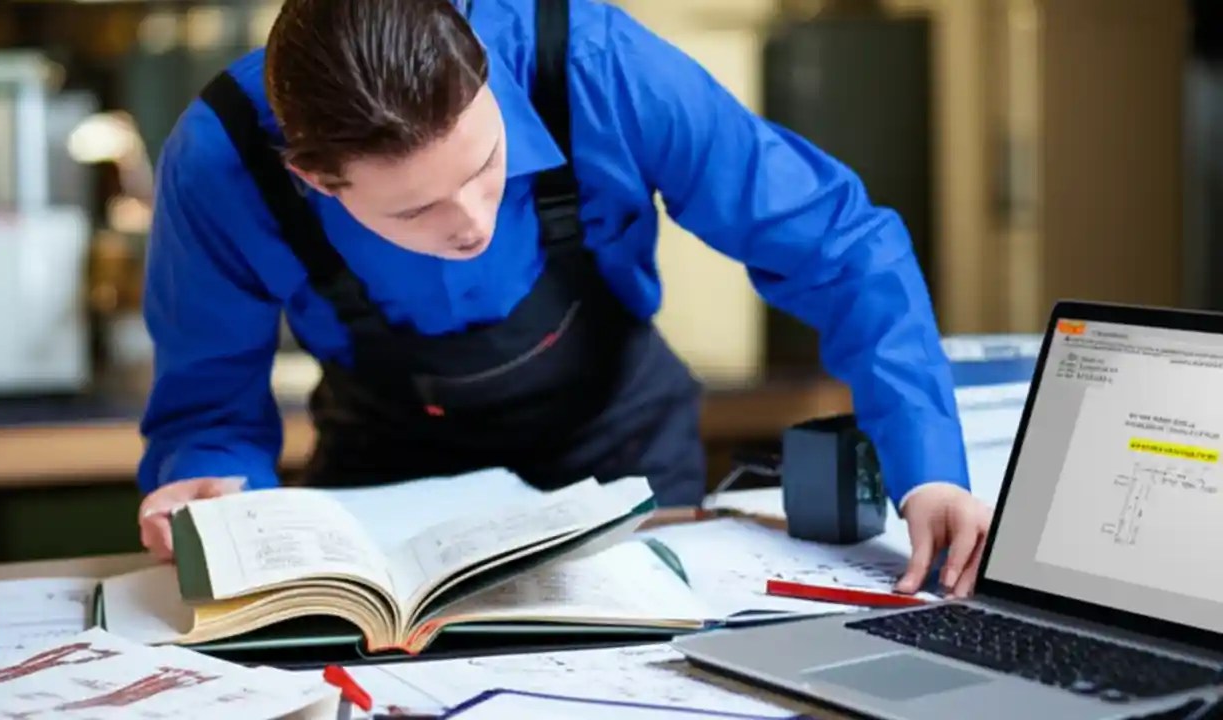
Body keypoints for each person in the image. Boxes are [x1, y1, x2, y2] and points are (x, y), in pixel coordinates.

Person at [136, 0, 991, 598]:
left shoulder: (596, 63)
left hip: (617, 446)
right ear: (313, 177)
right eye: (415, 207)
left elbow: (839, 247)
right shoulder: (221, 164)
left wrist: (928, 467)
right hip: (384, 474)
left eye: (483, 167)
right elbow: (208, 410)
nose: (470, 220)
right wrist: (212, 492)